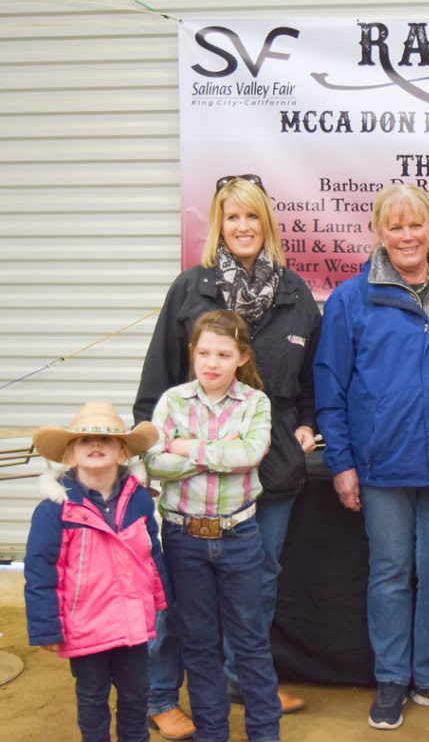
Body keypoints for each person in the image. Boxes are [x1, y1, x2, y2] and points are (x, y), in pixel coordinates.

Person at [135, 173, 319, 738]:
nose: (242, 227)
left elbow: (312, 375)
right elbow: (158, 380)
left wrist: (310, 423)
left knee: (259, 581)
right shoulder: (191, 289)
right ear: (219, 224)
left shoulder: (295, 294)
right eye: (231, 217)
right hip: (188, 479)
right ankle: (162, 694)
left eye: (251, 216)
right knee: (176, 594)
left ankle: (245, 681)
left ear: (266, 222)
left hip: (274, 460)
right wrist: (151, 445)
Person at [314, 183, 429, 731]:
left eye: (416, 225)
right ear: (379, 232)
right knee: (390, 573)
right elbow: (330, 385)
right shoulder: (349, 299)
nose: (407, 236)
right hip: (381, 464)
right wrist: (341, 463)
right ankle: (391, 678)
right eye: (396, 226)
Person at [145, 309, 280, 742]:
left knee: (250, 642)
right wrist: (218, 451)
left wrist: (185, 448)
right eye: (204, 352)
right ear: (192, 353)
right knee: (198, 644)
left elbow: (250, 455)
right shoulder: (172, 401)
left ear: (241, 357)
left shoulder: (255, 403)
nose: (212, 363)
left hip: (238, 537)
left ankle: (264, 733)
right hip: (184, 536)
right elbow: (152, 461)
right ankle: (212, 733)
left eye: (224, 354)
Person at [25, 403, 167, 742]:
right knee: (92, 696)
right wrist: (46, 626)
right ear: (71, 457)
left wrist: (163, 600)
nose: (95, 444)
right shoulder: (55, 511)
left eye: (105, 438)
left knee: (136, 694)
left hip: (133, 621)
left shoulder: (140, 502)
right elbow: (41, 572)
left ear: (122, 453)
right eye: (85, 440)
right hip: (84, 625)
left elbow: (152, 552)